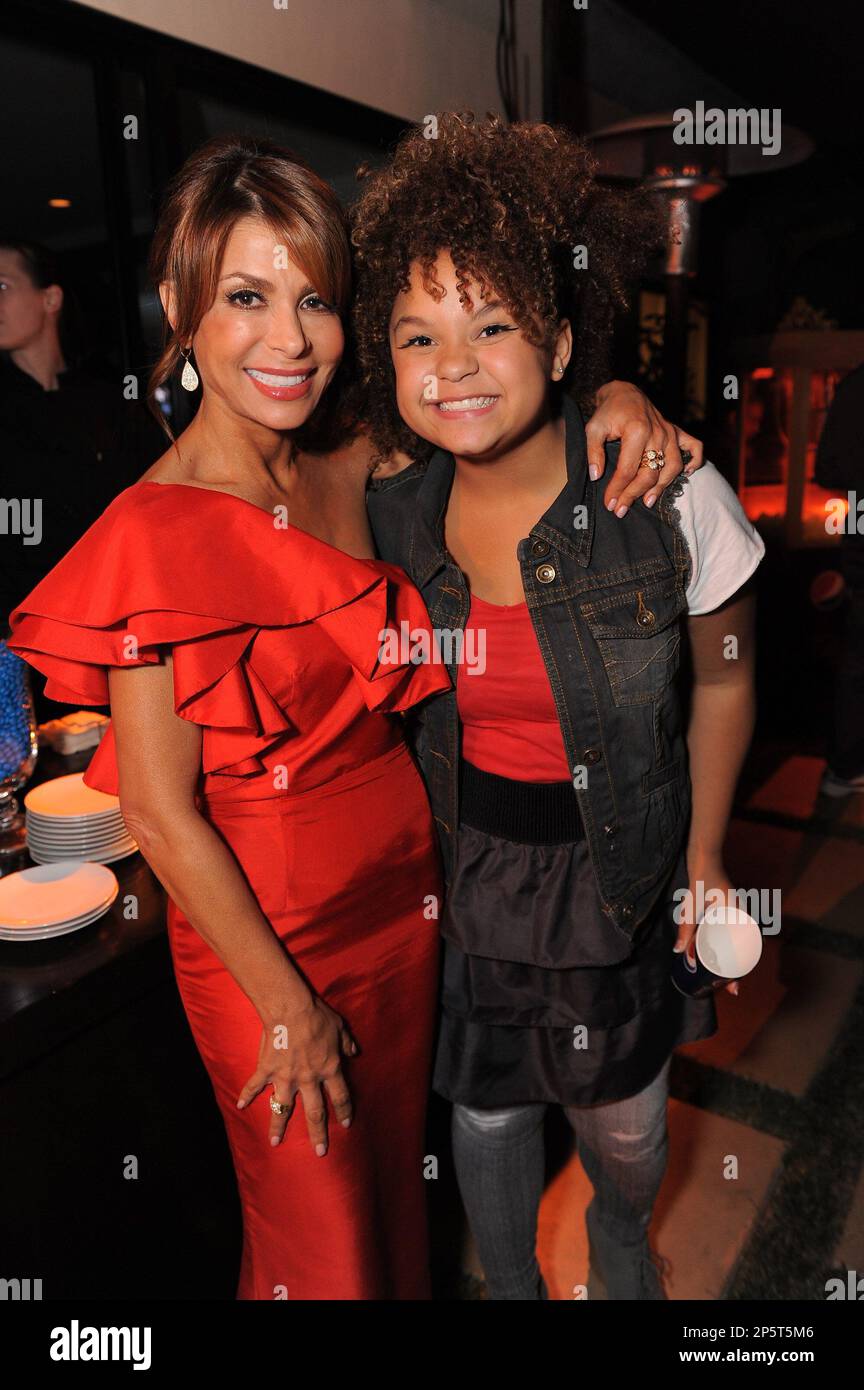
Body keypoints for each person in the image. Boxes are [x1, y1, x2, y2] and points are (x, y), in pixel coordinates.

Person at [6, 133, 703, 1301]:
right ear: (180, 306)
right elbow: (158, 813)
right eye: (244, 297)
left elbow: (487, 400)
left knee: (396, 1222)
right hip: (267, 942)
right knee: (319, 1249)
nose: (289, 338)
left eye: (317, 299)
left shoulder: (347, 459)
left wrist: (617, 391)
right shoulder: (152, 528)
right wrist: (284, 1007)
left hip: (406, 907)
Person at [355, 112, 766, 1299]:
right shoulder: (388, 516)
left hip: (620, 870)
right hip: (469, 866)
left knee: (626, 1134)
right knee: (485, 1125)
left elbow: (729, 673)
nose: (458, 364)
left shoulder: (665, 492)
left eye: (494, 325)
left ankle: (627, 1253)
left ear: (561, 336)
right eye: (418, 334)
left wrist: (701, 857)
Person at [0, 238, 164, 721]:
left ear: (50, 299)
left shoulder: (109, 404)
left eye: (3, 286)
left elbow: (153, 506)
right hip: (28, 650)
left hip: (118, 638)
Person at [813, 362, 864, 796]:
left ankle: (844, 765)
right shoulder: (855, 386)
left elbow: (827, 468)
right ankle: (845, 766)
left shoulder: (852, 385)